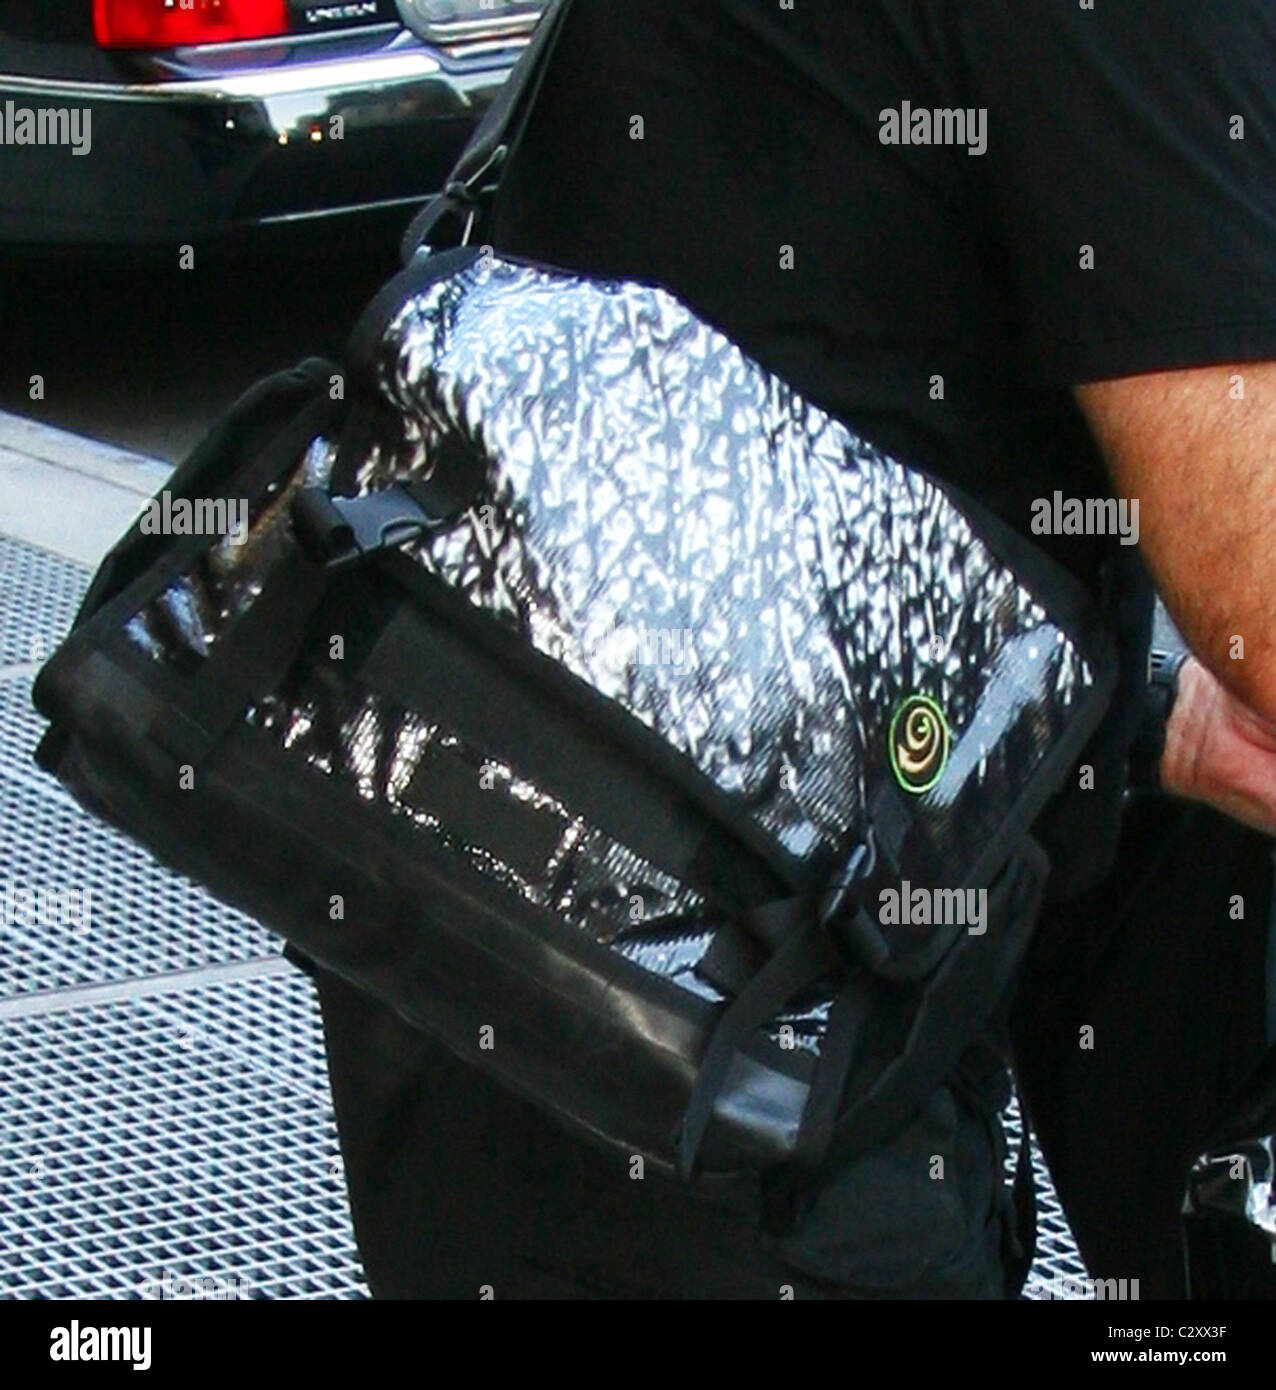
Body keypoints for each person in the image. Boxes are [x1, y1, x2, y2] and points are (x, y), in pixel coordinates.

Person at [301, 0, 1276, 1297]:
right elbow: (1255, 582)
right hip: (724, 1013)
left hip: (521, 907)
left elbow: (827, 345)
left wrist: (1143, 713)